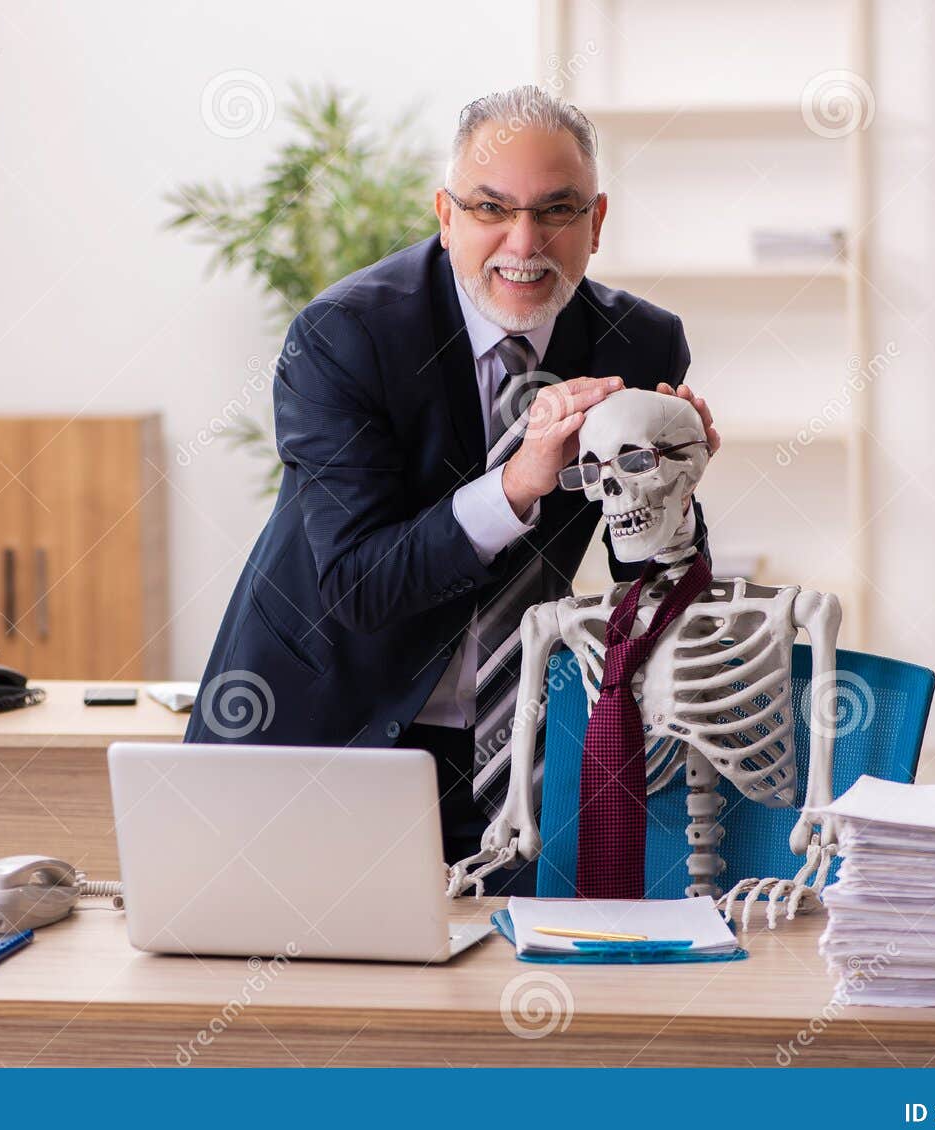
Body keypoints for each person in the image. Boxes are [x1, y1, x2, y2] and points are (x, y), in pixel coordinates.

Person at [187, 85, 720, 892]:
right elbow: (359, 585)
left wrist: (670, 494)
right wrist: (517, 485)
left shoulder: (640, 342)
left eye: (557, 210)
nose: (524, 242)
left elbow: (642, 594)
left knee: (514, 961)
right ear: (445, 215)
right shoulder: (346, 337)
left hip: (512, 752)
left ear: (596, 222)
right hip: (326, 733)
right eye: (490, 208)